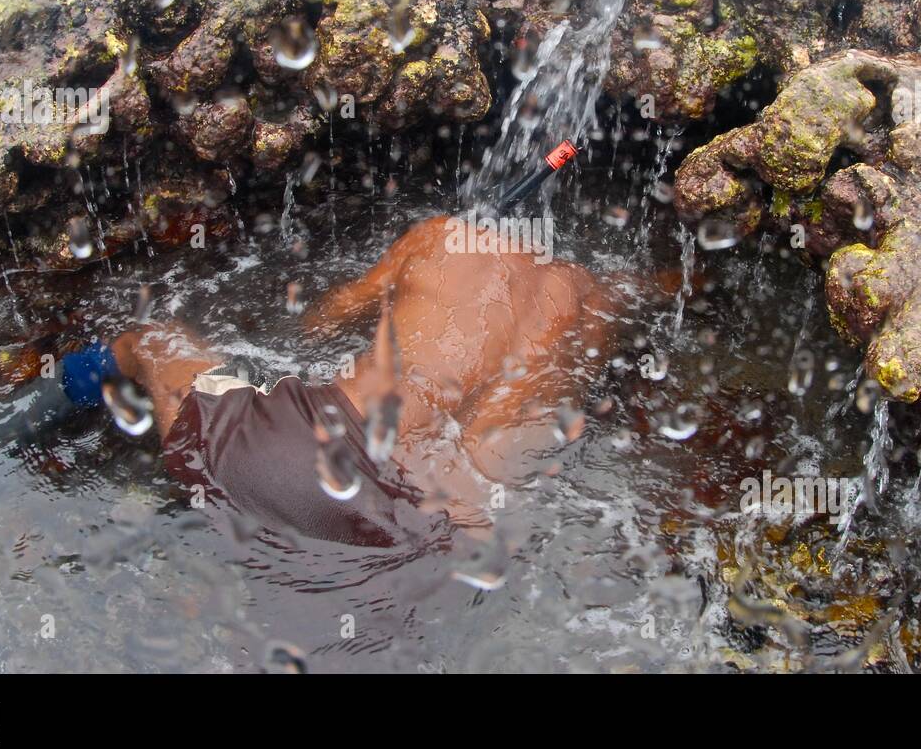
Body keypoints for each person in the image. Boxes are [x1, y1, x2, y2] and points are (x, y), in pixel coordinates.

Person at [109, 215, 621, 546]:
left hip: (309, 459)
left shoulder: (444, 237)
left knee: (156, 341)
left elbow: (325, 321)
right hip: (443, 527)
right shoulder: (594, 305)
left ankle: (84, 373)